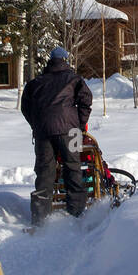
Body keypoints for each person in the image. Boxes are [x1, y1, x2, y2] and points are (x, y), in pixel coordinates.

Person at [21, 47, 94, 225]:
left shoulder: (35, 82)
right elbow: (86, 99)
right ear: (65, 60)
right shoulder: (75, 79)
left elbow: (25, 107)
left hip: (43, 133)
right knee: (73, 168)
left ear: (50, 61)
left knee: (44, 172)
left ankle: (40, 219)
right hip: (72, 131)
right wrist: (79, 122)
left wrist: (36, 124)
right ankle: (77, 214)